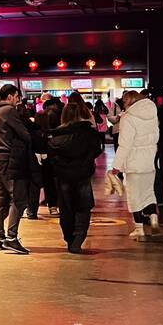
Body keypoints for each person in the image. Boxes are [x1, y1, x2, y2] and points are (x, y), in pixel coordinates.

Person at [48, 101, 104, 254]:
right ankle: (79, 237)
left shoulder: (56, 136)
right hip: (83, 174)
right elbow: (97, 150)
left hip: (63, 176)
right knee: (83, 207)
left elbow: (51, 155)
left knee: (66, 208)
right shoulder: (89, 133)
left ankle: (69, 238)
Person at [0, 84, 32, 254]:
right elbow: (24, 134)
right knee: (18, 199)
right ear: (11, 96)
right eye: (17, 97)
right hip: (7, 159)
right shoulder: (8, 111)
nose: (18, 101)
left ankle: (0, 237)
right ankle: (11, 237)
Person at [111, 89, 161, 239]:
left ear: (130, 101)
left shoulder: (128, 118)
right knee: (148, 193)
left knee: (134, 197)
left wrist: (116, 166)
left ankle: (139, 230)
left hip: (133, 163)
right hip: (149, 161)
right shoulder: (152, 114)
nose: (123, 104)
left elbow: (125, 144)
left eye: (124, 101)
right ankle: (153, 218)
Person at [39, 97, 64, 215]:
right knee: (59, 180)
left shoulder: (44, 117)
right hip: (59, 154)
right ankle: (61, 203)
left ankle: (52, 205)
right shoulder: (62, 117)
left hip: (47, 154)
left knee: (48, 179)